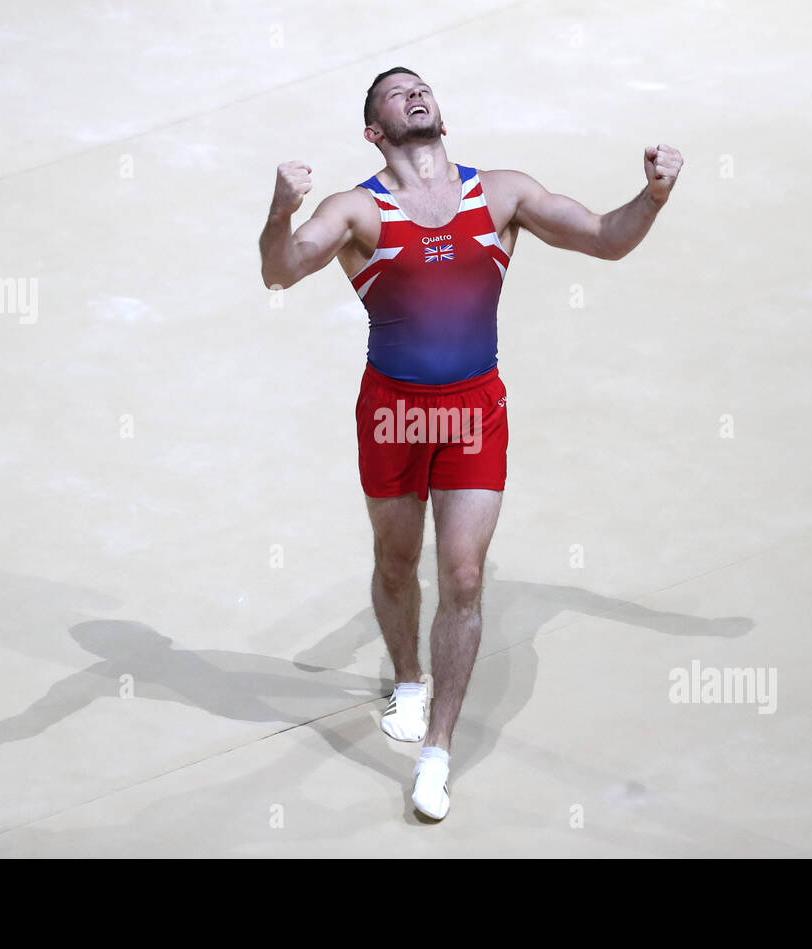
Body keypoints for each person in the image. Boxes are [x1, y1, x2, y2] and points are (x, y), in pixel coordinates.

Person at [258, 67, 683, 819]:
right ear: (374, 129)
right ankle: (410, 680)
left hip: (473, 411)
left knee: (461, 573)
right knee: (395, 561)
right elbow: (281, 270)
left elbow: (603, 240)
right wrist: (280, 209)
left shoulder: (504, 193)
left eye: (422, 87)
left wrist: (651, 196)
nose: (416, 95)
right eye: (396, 94)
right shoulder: (357, 208)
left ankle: (436, 752)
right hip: (392, 412)